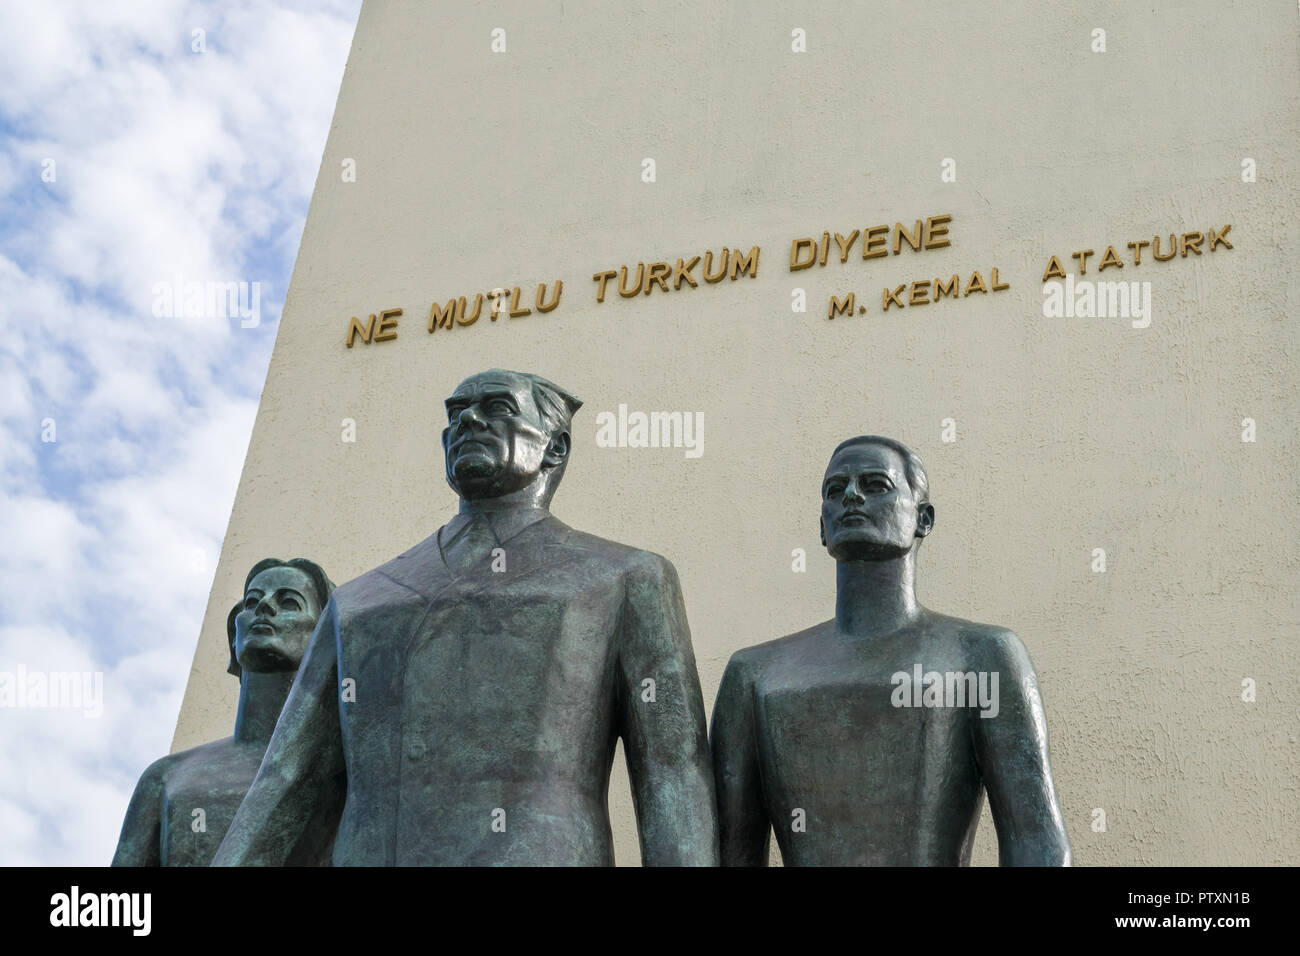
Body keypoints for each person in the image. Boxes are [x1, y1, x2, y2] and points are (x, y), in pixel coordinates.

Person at [214, 369, 717, 866]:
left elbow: (671, 772)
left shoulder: (622, 577)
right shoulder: (360, 602)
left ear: (555, 447)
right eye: (457, 413)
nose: (469, 420)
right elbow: (289, 780)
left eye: (498, 408)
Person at [712, 435, 1071, 866]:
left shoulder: (981, 656)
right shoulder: (756, 674)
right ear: (821, 527)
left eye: (876, 484)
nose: (851, 495)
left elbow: (1035, 840)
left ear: (923, 519)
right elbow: (732, 853)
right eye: (834, 489)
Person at [112, 558, 335, 866]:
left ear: (323, 637)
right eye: (252, 600)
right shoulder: (166, 777)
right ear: (234, 637)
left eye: (289, 603)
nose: (264, 607)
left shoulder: (344, 772)